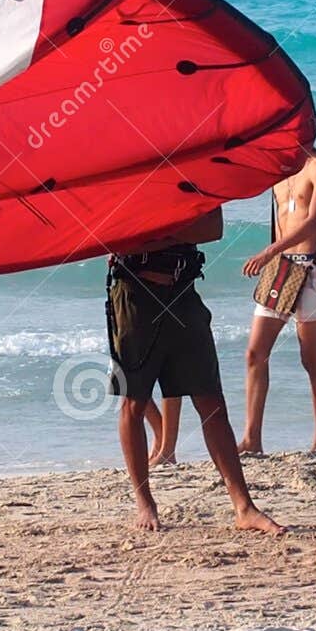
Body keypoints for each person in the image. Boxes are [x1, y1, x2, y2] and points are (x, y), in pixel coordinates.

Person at [106, 208, 284, 534]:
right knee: (133, 401)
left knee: (211, 401)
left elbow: (212, 228)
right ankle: (145, 501)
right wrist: (175, 230)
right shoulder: (128, 183)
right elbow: (117, 239)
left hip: (183, 293)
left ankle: (244, 508)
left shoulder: (188, 180)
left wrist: (155, 235)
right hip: (134, 294)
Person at [239, 148, 316, 454]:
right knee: (255, 353)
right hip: (280, 268)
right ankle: (252, 438)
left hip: (310, 267)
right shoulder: (278, 168)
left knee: (310, 357)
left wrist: (269, 250)